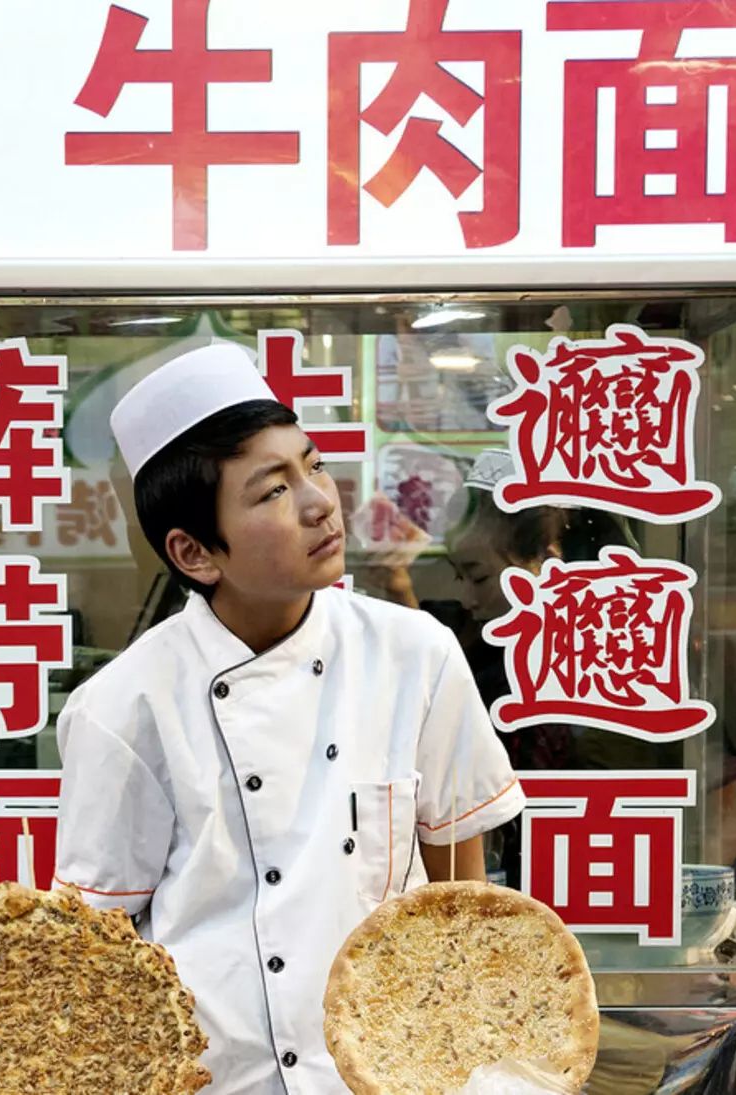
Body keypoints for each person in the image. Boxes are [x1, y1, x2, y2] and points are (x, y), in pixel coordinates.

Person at [53, 343, 525, 1095]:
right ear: (194, 551)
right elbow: (98, 955)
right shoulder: (122, 707)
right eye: (272, 490)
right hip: (211, 1079)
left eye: (312, 465)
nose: (319, 501)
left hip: (389, 1075)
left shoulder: (415, 656)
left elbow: (460, 905)